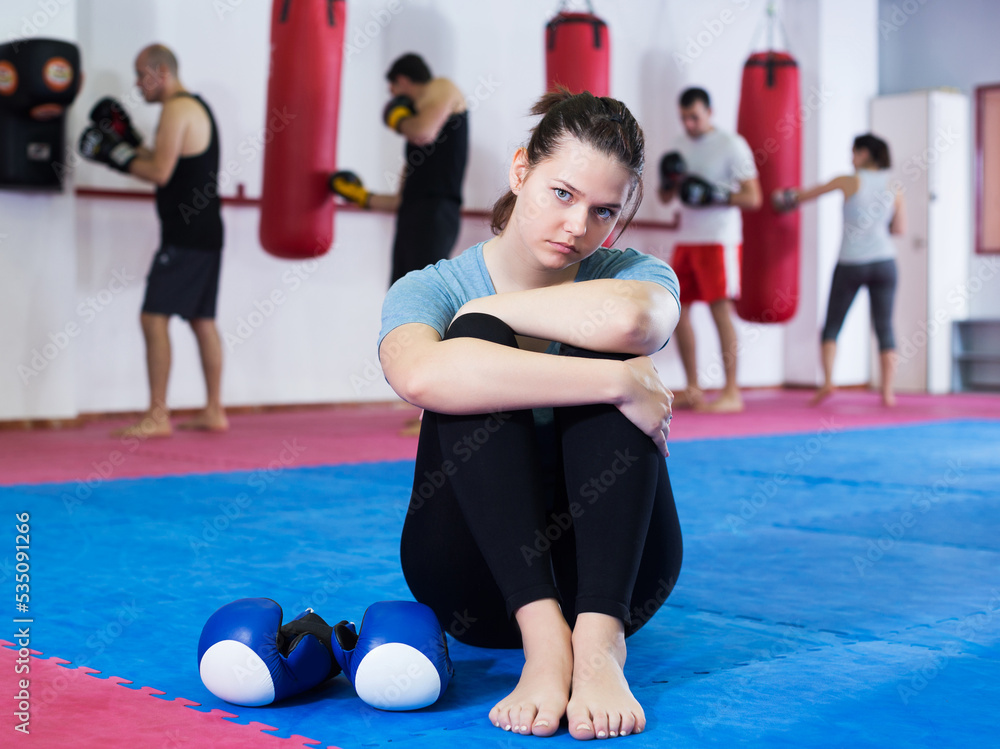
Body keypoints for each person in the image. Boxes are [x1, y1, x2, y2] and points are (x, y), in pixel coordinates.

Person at [378, 90, 683, 740]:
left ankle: (599, 644)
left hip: (620, 579)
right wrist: (614, 381)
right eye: (562, 194)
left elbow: (637, 318)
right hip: (474, 580)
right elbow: (419, 374)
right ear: (521, 171)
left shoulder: (631, 271)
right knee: (476, 356)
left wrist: (499, 318)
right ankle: (545, 641)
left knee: (594, 333)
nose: (579, 226)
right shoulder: (430, 288)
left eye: (604, 210)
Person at [79, 44, 227, 436]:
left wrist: (114, 155)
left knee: (153, 317)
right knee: (201, 320)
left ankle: (158, 415)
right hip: (205, 229)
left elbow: (160, 172)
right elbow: (168, 161)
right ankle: (214, 410)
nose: (137, 84)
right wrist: (127, 142)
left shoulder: (176, 109)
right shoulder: (194, 106)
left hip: (187, 233)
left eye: (140, 74)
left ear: (159, 73)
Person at [772, 133, 906, 407]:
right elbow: (899, 229)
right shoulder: (894, 186)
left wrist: (781, 198)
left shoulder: (849, 180)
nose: (851, 158)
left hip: (851, 263)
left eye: (853, 152)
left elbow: (806, 195)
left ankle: (829, 382)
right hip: (884, 263)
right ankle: (888, 393)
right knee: (884, 328)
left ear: (864, 153)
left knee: (833, 324)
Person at [658, 87, 761, 412]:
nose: (689, 124)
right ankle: (693, 388)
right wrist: (668, 182)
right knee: (679, 313)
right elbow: (665, 199)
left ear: (709, 112)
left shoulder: (731, 145)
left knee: (720, 312)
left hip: (719, 240)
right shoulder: (679, 145)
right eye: (684, 118)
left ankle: (732, 392)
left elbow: (754, 197)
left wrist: (717, 196)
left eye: (695, 117)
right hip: (687, 240)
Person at [330, 52, 468, 284]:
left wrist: (398, 120)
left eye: (392, 88)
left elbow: (423, 132)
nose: (392, 96)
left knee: (422, 293)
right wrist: (361, 196)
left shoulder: (441, 86)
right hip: (412, 215)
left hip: (437, 212)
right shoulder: (414, 149)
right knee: (399, 292)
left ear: (402, 81)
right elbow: (401, 200)